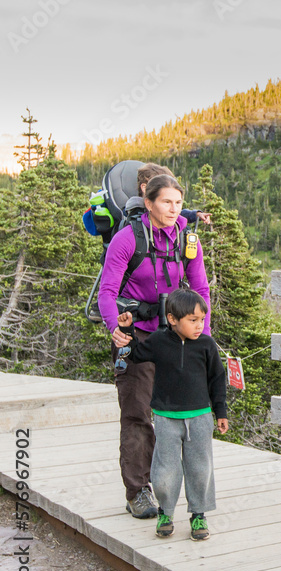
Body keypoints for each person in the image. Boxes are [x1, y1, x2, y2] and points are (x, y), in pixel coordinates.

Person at [99, 174, 213, 519]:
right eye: (166, 202)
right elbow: (107, 292)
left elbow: (201, 291)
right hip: (135, 334)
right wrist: (114, 331)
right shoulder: (126, 239)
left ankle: (184, 495)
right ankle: (138, 492)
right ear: (148, 203)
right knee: (137, 411)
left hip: (174, 335)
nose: (173, 209)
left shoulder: (187, 239)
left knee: (180, 413)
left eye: (178, 203)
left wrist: (199, 334)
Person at [116, 289, 229, 541]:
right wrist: (127, 330)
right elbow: (136, 354)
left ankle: (198, 513)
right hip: (166, 417)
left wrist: (220, 411)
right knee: (165, 469)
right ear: (173, 319)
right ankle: (165, 512)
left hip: (200, 417)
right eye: (192, 320)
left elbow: (217, 378)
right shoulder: (159, 341)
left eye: (202, 319)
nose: (199, 325)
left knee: (200, 468)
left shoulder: (206, 345)